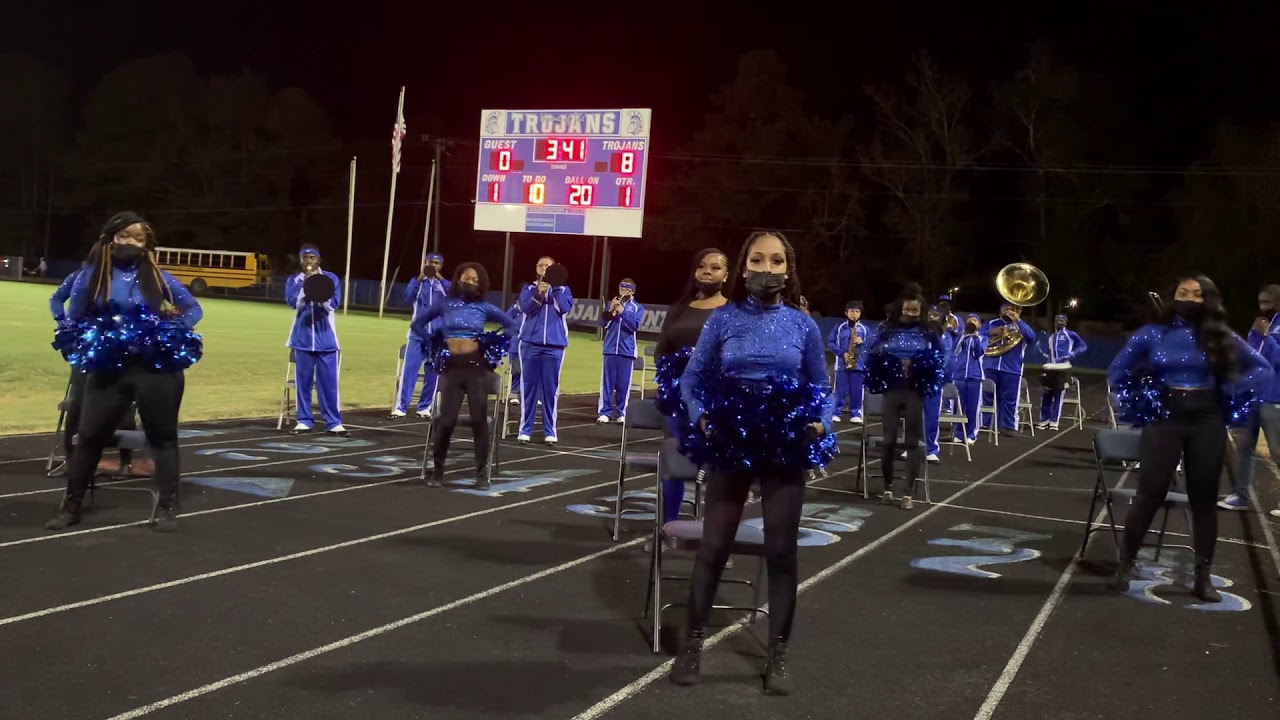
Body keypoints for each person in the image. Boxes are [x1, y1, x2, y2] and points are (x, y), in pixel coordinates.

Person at [669, 231, 832, 696]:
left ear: (788, 268)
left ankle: (778, 652)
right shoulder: (722, 319)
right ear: (744, 268)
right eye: (758, 260)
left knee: (782, 551)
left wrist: (820, 421)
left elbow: (822, 387)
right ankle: (692, 642)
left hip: (784, 442)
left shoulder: (803, 325)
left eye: (776, 260)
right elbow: (692, 380)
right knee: (714, 545)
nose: (767, 268)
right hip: (731, 439)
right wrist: (701, 418)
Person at [1107, 275, 1270, 602]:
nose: (1190, 299)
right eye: (1183, 293)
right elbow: (1117, 370)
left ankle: (1202, 577)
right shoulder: (1153, 333)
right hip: (1164, 416)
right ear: (1172, 296)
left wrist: (1231, 391)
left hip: (1207, 418)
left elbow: (1261, 367)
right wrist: (1143, 396)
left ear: (1208, 299)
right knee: (1149, 492)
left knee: (1204, 500)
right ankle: (1125, 565)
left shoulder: (1220, 335)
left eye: (1197, 294)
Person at [46, 212, 202, 532]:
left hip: (155, 370)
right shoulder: (90, 276)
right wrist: (90, 333)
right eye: (124, 236)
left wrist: (168, 331)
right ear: (110, 239)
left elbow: (194, 309)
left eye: (139, 238)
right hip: (108, 368)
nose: (131, 242)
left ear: (147, 245)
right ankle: (71, 506)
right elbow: (73, 317)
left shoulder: (160, 278)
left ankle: (168, 508)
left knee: (162, 438)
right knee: (89, 436)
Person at [411, 263, 518, 489]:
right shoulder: (445, 304)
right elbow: (417, 323)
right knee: (446, 420)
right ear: (458, 280)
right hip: (451, 367)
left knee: (479, 421)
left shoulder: (484, 308)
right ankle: (437, 471)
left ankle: (481, 473)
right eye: (467, 278)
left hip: (476, 368)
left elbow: (511, 325)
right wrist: (433, 340)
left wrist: (493, 342)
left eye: (476, 280)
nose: (471, 283)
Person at [654, 248, 730, 526]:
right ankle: (667, 526)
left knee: (717, 470)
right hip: (677, 402)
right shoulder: (678, 309)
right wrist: (673, 381)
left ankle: (716, 537)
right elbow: (661, 351)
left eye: (715, 267)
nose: (707, 271)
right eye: (702, 267)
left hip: (716, 402)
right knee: (674, 467)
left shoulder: (732, 310)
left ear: (726, 275)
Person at [864, 283, 948, 508]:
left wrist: (924, 366)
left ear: (920, 310)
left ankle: (908, 493)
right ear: (900, 308)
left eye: (915, 310)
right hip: (892, 389)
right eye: (907, 309)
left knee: (912, 442)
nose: (910, 314)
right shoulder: (886, 328)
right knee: (889, 441)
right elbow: (869, 350)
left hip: (914, 390)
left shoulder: (928, 331)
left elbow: (942, 354)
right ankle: (888, 488)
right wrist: (887, 360)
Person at [1220, 284, 1280, 510]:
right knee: (1245, 448)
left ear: (1277, 301)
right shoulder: (1258, 326)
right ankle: (1241, 496)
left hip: (1274, 399)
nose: (1262, 307)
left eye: (1267, 302)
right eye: (1260, 302)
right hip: (1253, 396)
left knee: (1277, 452)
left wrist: (1269, 339)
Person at [285, 244, 346, 436]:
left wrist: (318, 289)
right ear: (301, 260)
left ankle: (333, 422)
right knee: (302, 382)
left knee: (328, 382)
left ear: (318, 260)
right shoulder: (294, 280)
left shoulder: (331, 278)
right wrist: (306, 287)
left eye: (312, 258)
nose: (308, 261)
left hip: (326, 339)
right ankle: (304, 420)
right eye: (305, 258)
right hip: (302, 338)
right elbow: (292, 303)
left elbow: (333, 304)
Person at [517, 256, 574, 445]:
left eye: (547, 266)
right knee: (529, 388)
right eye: (540, 265)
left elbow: (564, 308)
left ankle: (550, 431)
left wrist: (553, 289)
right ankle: (525, 430)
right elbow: (526, 309)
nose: (543, 268)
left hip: (554, 346)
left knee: (550, 390)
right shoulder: (528, 288)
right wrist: (538, 294)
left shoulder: (564, 290)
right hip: (530, 344)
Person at [392, 253, 448, 419]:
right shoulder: (417, 282)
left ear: (441, 266)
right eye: (430, 262)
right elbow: (408, 297)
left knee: (432, 374)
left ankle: (424, 407)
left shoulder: (443, 285)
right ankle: (401, 407)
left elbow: (454, 295)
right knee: (409, 371)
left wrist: (439, 278)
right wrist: (419, 279)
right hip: (417, 335)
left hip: (436, 337)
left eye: (436, 263)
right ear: (424, 263)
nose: (433, 265)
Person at [981, 303, 1037, 434]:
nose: (1008, 311)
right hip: (990, 366)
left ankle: (1008, 426)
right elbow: (977, 335)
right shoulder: (992, 323)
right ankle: (987, 424)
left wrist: (1017, 320)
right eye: (1005, 308)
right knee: (987, 397)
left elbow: (1031, 338)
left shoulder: (1021, 325)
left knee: (1009, 399)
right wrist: (990, 332)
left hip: (1011, 368)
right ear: (1000, 310)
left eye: (1011, 309)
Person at [598, 279, 643, 423]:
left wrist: (622, 312)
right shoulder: (612, 303)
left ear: (632, 291)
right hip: (610, 349)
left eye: (626, 289)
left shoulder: (636, 307)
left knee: (623, 384)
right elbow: (602, 323)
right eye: (621, 288)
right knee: (607, 383)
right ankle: (604, 412)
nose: (623, 291)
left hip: (627, 350)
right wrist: (611, 311)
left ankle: (621, 413)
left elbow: (633, 326)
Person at [1036, 314, 1087, 430]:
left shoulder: (1070, 334)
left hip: (1063, 368)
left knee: (1059, 395)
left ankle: (1054, 421)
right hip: (1050, 368)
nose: (1060, 322)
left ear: (1066, 322)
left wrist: (1072, 354)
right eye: (1058, 320)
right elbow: (1047, 353)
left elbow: (1083, 346)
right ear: (1054, 322)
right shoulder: (1051, 337)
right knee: (1046, 394)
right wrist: (1039, 348)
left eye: (1062, 320)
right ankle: (1044, 420)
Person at [827, 301, 870, 424]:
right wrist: (842, 353)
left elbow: (871, 345)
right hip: (842, 363)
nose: (854, 314)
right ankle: (836, 413)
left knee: (857, 390)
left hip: (859, 364)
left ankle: (856, 413)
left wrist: (862, 341)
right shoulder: (839, 327)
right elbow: (830, 343)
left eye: (857, 311)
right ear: (846, 313)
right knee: (839, 390)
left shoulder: (864, 330)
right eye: (852, 311)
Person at [922, 305, 954, 463]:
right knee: (913, 415)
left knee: (931, 415)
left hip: (933, 381)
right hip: (916, 380)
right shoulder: (920, 334)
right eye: (930, 314)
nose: (932, 317)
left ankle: (930, 449)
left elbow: (944, 360)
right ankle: (912, 445)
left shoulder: (946, 338)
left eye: (936, 315)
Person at [951, 314, 988, 444]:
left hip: (975, 376)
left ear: (979, 325)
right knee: (959, 406)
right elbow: (954, 350)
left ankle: (971, 434)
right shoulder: (960, 337)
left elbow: (978, 353)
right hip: (960, 375)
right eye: (969, 321)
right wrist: (962, 336)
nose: (971, 323)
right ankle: (959, 433)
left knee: (973, 406)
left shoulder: (983, 338)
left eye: (974, 321)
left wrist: (974, 338)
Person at [506, 300, 524, 404]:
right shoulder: (514, 310)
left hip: (528, 346)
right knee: (516, 370)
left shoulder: (531, 310)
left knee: (529, 372)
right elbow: (505, 321)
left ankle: (532, 396)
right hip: (515, 346)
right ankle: (514, 394)